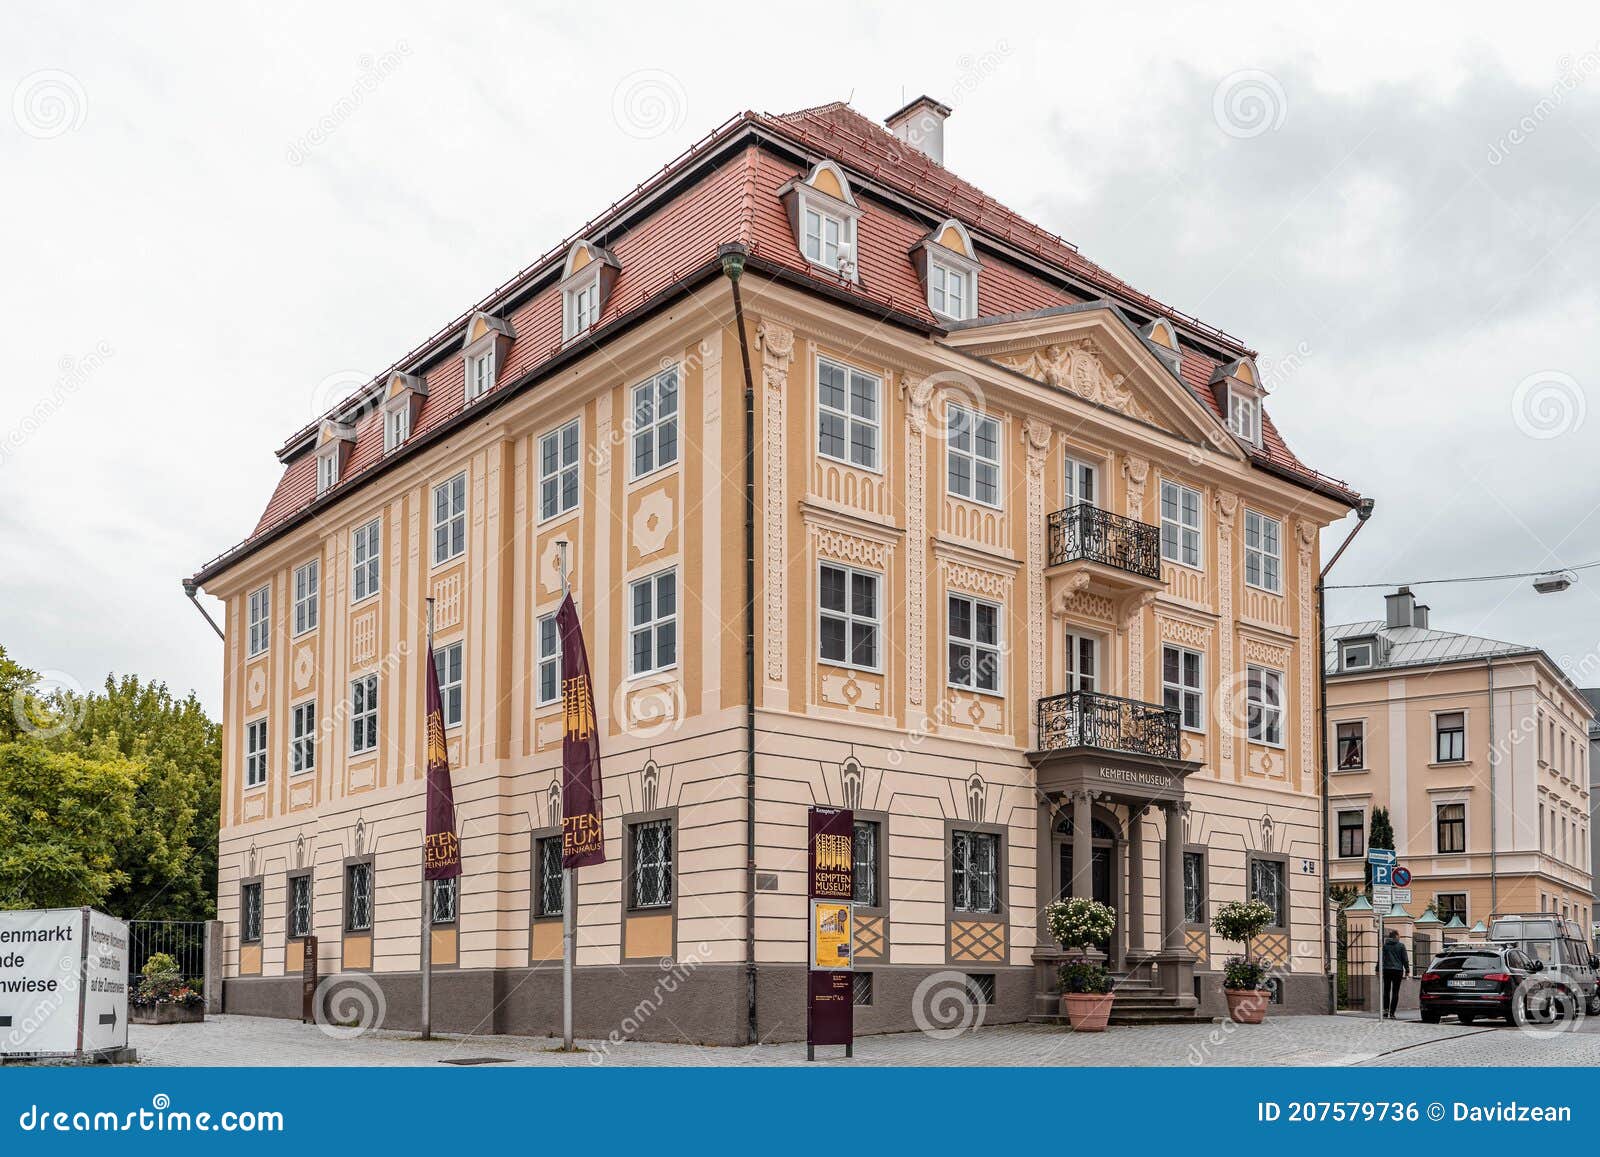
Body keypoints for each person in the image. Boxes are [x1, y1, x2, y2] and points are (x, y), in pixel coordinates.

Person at [1381, 929, 1409, 1019]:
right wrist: (1407, 970)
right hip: (1397, 971)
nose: (1399, 937)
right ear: (1396, 936)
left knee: (1386, 991)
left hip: (1387, 970)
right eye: (1399, 936)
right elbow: (1405, 959)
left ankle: (1385, 1012)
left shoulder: (1385, 946)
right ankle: (1392, 1013)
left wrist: (1378, 968)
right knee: (1395, 992)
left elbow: (1381, 958)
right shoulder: (1401, 946)